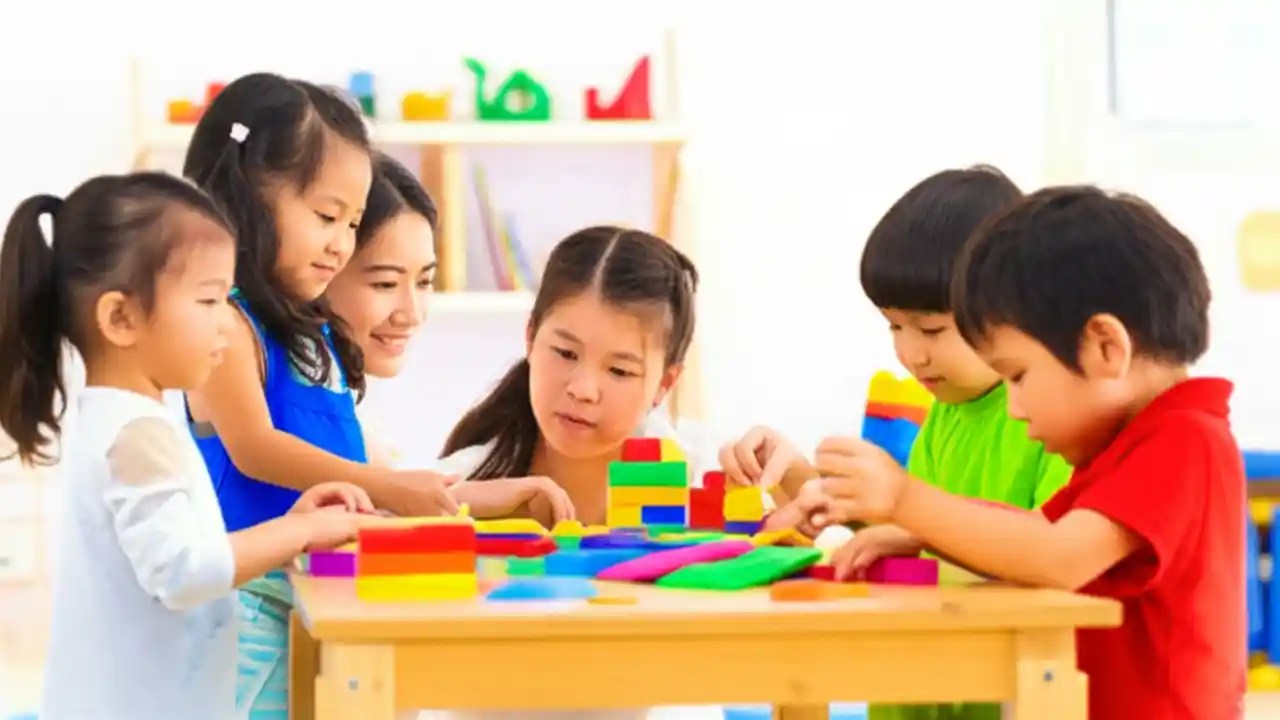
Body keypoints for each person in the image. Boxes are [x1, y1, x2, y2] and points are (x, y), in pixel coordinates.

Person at [778, 186, 1245, 720]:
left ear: (1105, 348)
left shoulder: (1184, 441)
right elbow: (1030, 533)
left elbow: (1057, 556)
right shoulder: (1129, 443)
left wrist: (906, 499)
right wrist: (923, 535)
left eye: (1017, 377)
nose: (1016, 408)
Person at [0, 173, 372, 720]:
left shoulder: (124, 420)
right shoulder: (137, 433)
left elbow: (175, 548)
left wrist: (289, 523)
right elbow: (182, 572)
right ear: (120, 318)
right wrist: (302, 531)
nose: (226, 326)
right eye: (209, 300)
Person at [180, 73, 456, 720]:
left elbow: (350, 467)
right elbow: (255, 449)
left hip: (317, 595)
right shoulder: (224, 323)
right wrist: (385, 490)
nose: (342, 243)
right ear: (244, 198)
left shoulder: (311, 339)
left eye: (353, 223)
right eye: (327, 216)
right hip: (246, 607)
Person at [326, 151, 570, 518]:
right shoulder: (295, 405)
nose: (411, 313)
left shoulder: (346, 413)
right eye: (385, 283)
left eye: (424, 281)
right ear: (322, 264)